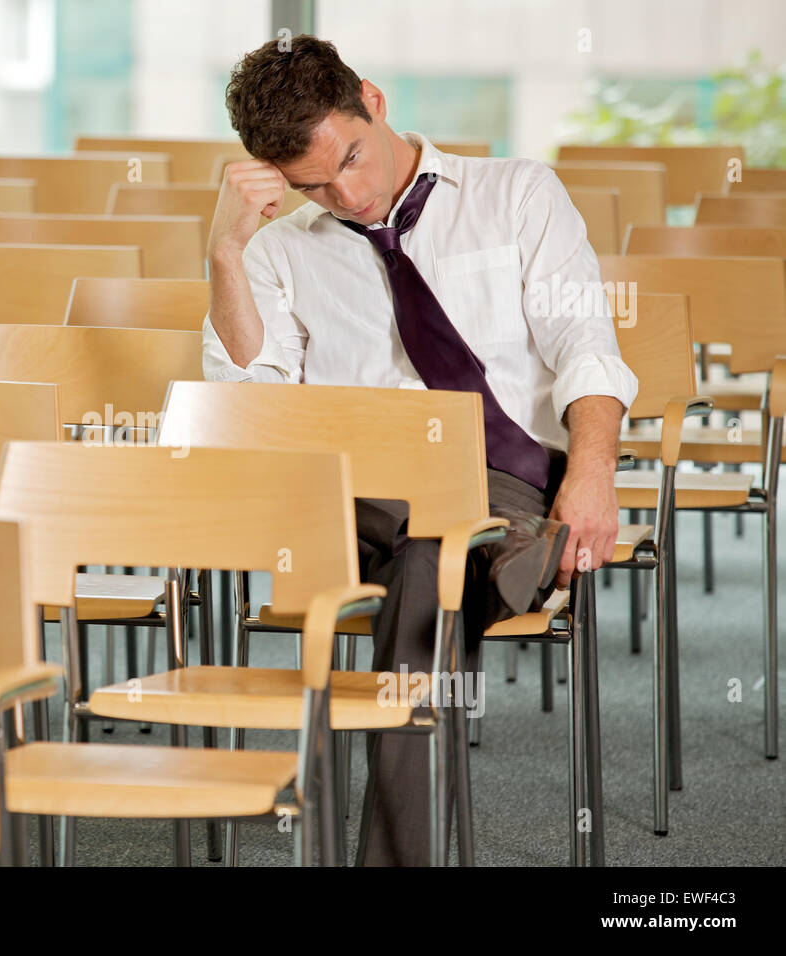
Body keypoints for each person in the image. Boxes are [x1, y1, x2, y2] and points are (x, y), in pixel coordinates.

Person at [204, 35, 639, 866]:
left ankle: (506, 542)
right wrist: (226, 251)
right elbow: (248, 404)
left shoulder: (517, 193)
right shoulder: (280, 248)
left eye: (351, 161)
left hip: (494, 477)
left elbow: (586, 342)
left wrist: (591, 475)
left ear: (371, 97)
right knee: (432, 554)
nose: (347, 196)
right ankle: (511, 561)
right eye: (310, 186)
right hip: (347, 495)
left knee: (430, 552)